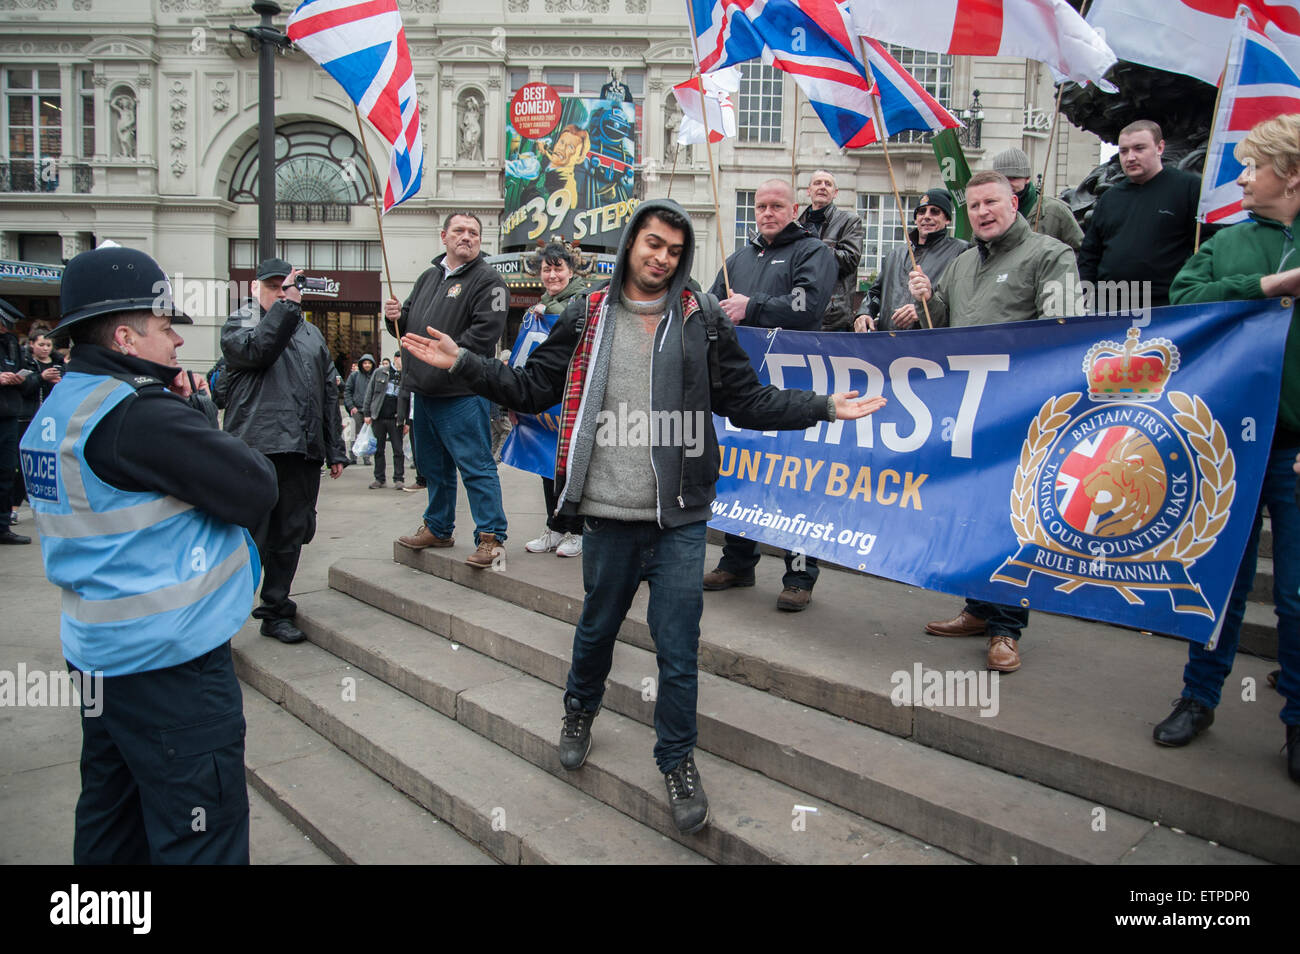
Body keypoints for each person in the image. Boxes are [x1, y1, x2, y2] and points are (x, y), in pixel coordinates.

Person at [399, 198, 885, 834]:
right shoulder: (587, 313)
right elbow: (533, 389)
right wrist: (466, 364)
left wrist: (821, 407)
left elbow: (747, 400)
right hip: (608, 516)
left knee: (679, 650)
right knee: (597, 631)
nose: (662, 257)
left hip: (680, 518)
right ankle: (579, 710)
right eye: (653, 243)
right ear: (631, 243)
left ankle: (677, 758)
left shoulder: (703, 318)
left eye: (675, 251)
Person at [19, 245, 277, 863]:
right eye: (166, 330)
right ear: (128, 336)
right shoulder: (138, 413)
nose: (177, 344)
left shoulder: (59, 408)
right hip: (169, 666)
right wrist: (187, 407)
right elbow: (255, 484)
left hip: (97, 654)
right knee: (200, 835)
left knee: (112, 823)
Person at [1153, 113, 1300, 783]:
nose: (1240, 177)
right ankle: (1199, 695)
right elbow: (1187, 302)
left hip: (1295, 452)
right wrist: (1268, 287)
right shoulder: (1228, 242)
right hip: (1233, 446)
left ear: (1291, 174)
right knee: (1222, 585)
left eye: (1252, 166)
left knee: (1295, 596)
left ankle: (1296, 719)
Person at [908, 170, 1079, 672]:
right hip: (966, 410)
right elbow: (941, 326)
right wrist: (926, 299)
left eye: (992, 202)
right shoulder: (961, 262)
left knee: (1011, 520)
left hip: (1019, 413)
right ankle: (978, 609)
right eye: (975, 204)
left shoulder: (1050, 254)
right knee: (972, 515)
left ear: (1015, 203)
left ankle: (1007, 628)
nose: (982, 212)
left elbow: (1062, 326)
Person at [703, 179, 837, 611]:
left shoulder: (813, 252)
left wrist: (751, 306)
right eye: (761, 205)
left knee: (796, 482)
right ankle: (738, 562)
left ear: (794, 208)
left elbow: (809, 306)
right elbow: (709, 305)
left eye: (777, 205)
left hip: (794, 388)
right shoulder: (737, 259)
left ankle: (800, 575)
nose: (767, 213)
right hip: (743, 389)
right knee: (742, 475)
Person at [221, 257, 347, 644]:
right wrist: (287, 307)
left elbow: (329, 391)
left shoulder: (311, 334)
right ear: (256, 287)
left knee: (291, 534)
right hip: (257, 446)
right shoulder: (241, 322)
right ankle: (219, 618)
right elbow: (257, 350)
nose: (281, 292)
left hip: (301, 448)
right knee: (247, 538)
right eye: (274, 285)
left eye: (287, 286)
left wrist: (335, 447)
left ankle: (276, 609)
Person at [383, 212, 510, 569]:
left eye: (473, 232)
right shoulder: (427, 277)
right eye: (459, 231)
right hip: (424, 392)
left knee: (476, 466)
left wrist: (446, 356)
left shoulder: (490, 281)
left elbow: (486, 334)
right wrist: (391, 316)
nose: (466, 237)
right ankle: (438, 527)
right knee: (433, 467)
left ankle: (491, 538)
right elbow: (404, 327)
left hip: (463, 391)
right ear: (444, 236)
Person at [1077, 120, 1202, 308]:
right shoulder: (1109, 197)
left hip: (1166, 306)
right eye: (1124, 151)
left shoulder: (1189, 188)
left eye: (1139, 148)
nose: (1130, 157)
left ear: (1160, 147)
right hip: (1109, 307)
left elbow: (1204, 246)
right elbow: (1090, 253)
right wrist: (1086, 297)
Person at [523, 242, 590, 558]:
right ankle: (555, 526)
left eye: (558, 268)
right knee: (546, 464)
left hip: (576, 397)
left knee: (572, 467)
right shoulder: (543, 306)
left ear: (571, 270)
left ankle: (577, 530)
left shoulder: (582, 300)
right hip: (549, 398)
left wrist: (547, 312)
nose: (552, 274)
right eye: (546, 269)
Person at [854, 187, 969, 332]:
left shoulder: (961, 251)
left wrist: (922, 310)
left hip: (928, 342)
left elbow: (963, 304)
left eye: (935, 211)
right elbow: (875, 293)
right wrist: (864, 312)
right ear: (915, 218)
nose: (926, 216)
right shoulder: (895, 254)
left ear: (946, 219)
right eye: (922, 211)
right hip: (889, 341)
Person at [796, 169, 865, 331]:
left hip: (833, 318)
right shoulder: (797, 225)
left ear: (835, 193)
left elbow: (850, 260)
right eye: (817, 183)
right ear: (809, 191)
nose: (822, 187)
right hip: (800, 314)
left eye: (828, 184)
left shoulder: (849, 221)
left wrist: (814, 246)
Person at [990, 147, 1084, 253]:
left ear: (1027, 178)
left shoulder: (1056, 210)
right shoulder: (987, 213)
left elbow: (1080, 251)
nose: (1007, 184)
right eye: (1002, 179)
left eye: (1013, 178)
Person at [0, 298, 38, 544]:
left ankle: (2, 526)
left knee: (6, 473)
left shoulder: (11, 344)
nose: (7, 328)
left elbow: (32, 381)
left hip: (9, 415)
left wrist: (21, 380)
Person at [363, 349, 408, 489]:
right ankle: (379, 478)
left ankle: (399, 478)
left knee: (398, 450)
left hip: (396, 419)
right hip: (379, 416)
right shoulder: (380, 372)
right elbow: (370, 393)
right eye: (401, 358)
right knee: (379, 449)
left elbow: (408, 399)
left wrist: (406, 420)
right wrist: (367, 413)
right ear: (395, 358)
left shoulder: (406, 376)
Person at [344, 354, 375, 466]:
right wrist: (351, 406)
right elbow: (347, 391)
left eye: (369, 363)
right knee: (355, 434)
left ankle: (366, 457)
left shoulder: (374, 376)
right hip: (357, 409)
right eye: (365, 363)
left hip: (370, 411)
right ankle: (353, 456)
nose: (367, 365)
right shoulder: (354, 376)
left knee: (368, 435)